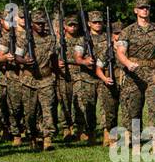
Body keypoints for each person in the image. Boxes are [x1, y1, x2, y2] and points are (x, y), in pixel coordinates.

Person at [115, 0, 155, 152]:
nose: (145, 10)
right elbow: (120, 52)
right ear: (135, 10)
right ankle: (136, 143)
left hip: (153, 74)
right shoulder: (127, 31)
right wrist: (127, 63)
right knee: (133, 110)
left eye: (147, 7)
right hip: (134, 75)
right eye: (142, 7)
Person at [17, 9, 58, 150]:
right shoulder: (24, 38)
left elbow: (54, 59)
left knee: (48, 110)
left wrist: (57, 75)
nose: (40, 26)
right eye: (37, 23)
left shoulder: (50, 39)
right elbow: (17, 56)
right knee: (30, 113)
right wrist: (24, 61)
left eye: (42, 23)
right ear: (31, 24)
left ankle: (47, 138)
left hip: (46, 79)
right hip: (29, 80)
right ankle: (32, 136)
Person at [64, 12, 98, 143]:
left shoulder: (82, 39)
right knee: (66, 102)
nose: (73, 27)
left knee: (81, 102)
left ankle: (81, 129)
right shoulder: (61, 40)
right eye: (70, 25)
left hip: (80, 75)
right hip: (65, 74)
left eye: (75, 25)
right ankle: (67, 128)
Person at [88, 11, 118, 146]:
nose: (98, 24)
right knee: (89, 106)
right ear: (89, 24)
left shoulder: (109, 38)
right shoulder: (85, 38)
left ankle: (108, 134)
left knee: (107, 107)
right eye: (95, 22)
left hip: (105, 75)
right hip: (87, 76)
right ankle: (90, 133)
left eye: (100, 22)